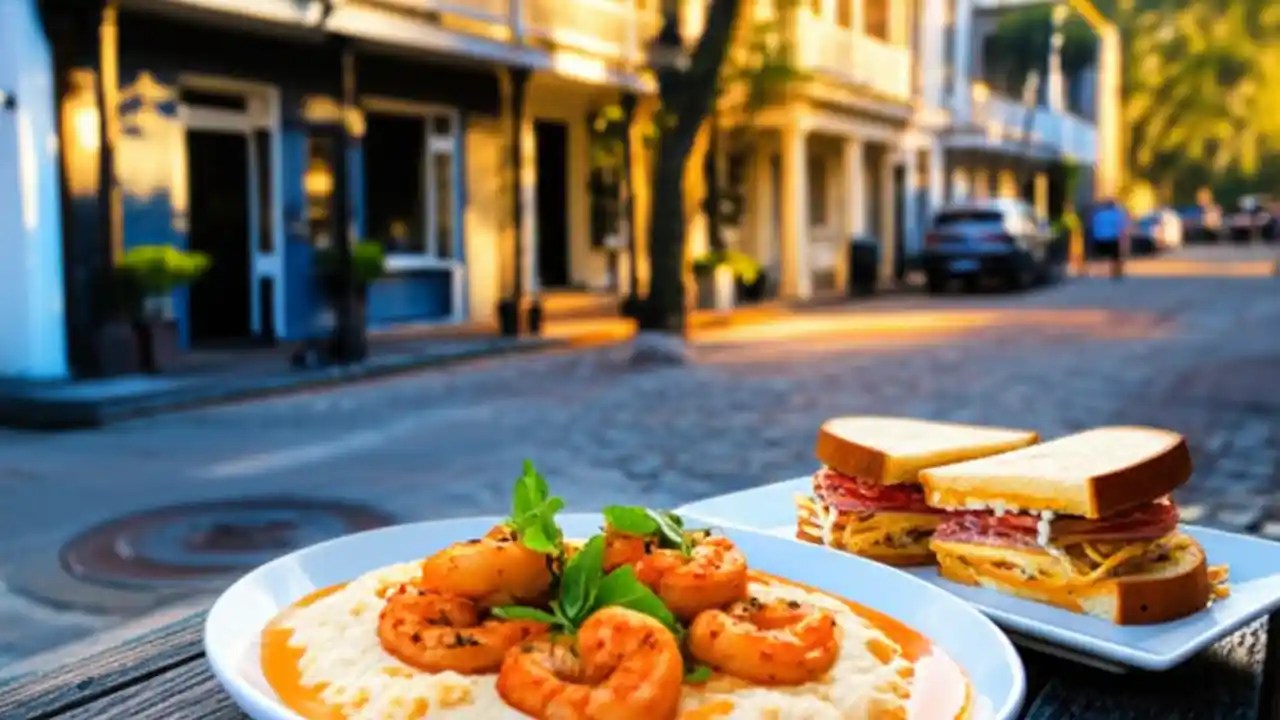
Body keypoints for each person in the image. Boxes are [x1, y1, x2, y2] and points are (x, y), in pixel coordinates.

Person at [1089, 199, 1130, 279]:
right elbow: (1122, 228)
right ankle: (1116, 272)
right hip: (1112, 238)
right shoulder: (1117, 214)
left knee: (1099, 256)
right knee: (1116, 257)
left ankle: (1098, 272)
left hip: (1099, 238)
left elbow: (1093, 226)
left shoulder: (1098, 214)